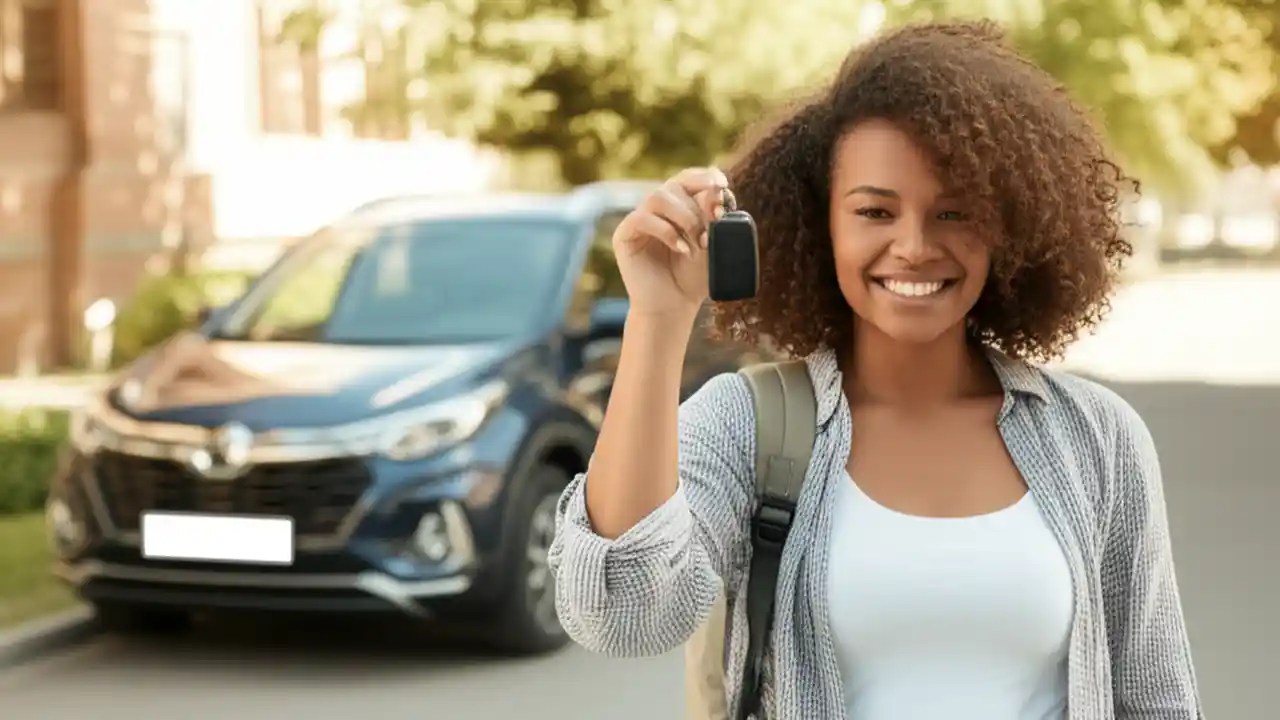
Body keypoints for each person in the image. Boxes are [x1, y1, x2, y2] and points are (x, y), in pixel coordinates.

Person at [546, 19, 1202, 720]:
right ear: (821, 224)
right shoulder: (749, 425)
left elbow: (1157, 699)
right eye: (875, 211)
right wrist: (659, 316)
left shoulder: (1096, 438)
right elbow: (623, 616)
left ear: (1005, 226)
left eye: (954, 212)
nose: (914, 245)